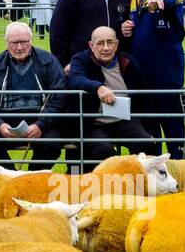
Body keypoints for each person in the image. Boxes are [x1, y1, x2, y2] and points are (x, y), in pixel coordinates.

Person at [0, 22, 74, 168]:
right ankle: (10, 178)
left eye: (24, 42)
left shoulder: (48, 61)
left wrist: (40, 125)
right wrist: (0, 124)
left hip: (41, 121)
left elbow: (60, 97)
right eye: (14, 42)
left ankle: (32, 178)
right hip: (5, 122)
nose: (19, 47)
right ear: (6, 42)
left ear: (31, 40)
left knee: (51, 144)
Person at [121, 0, 185, 159]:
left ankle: (184, 178)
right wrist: (127, 29)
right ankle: (155, 186)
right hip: (142, 80)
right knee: (149, 136)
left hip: (166, 78)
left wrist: (160, 1)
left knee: (175, 133)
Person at [67, 26, 161, 162]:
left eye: (110, 42)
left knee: (145, 143)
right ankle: (109, 181)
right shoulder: (81, 60)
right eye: (100, 43)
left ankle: (136, 181)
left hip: (124, 121)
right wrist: (98, 87)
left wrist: (149, 130)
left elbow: (143, 99)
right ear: (91, 45)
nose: (106, 48)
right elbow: (75, 79)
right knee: (104, 151)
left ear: (116, 45)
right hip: (94, 124)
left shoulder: (127, 62)